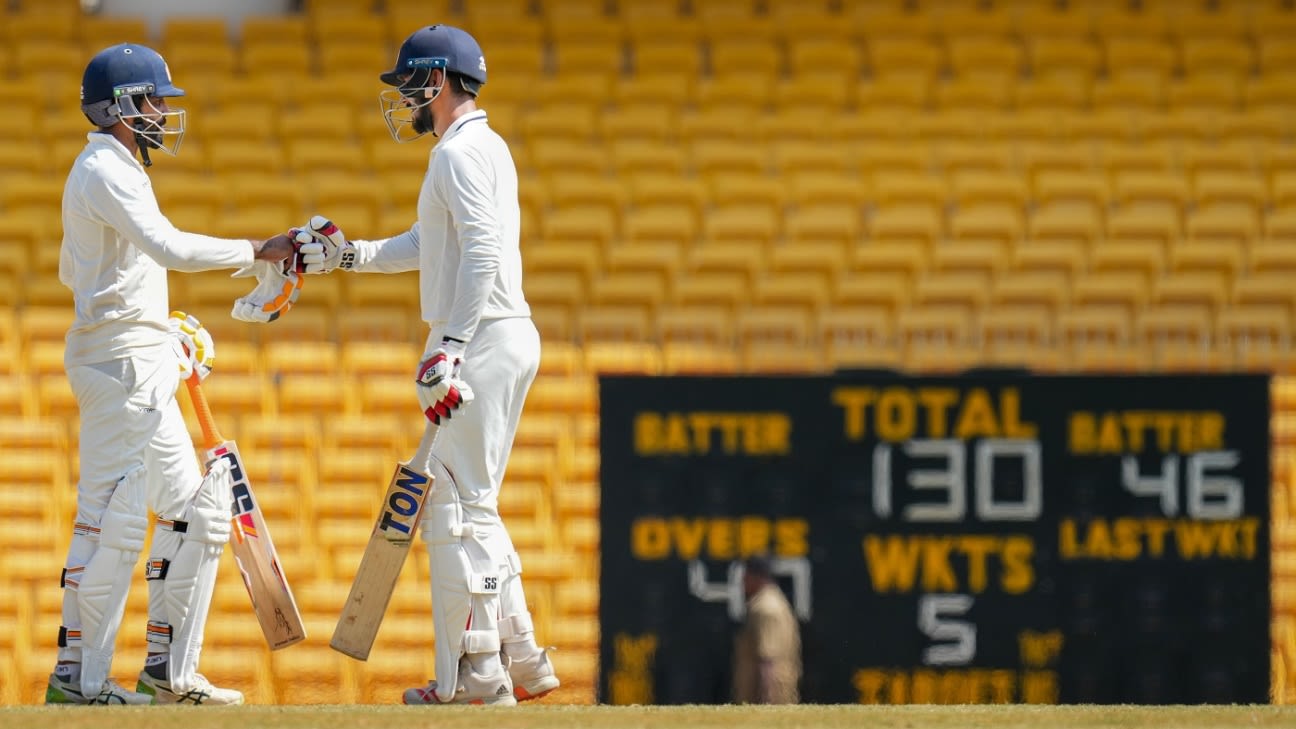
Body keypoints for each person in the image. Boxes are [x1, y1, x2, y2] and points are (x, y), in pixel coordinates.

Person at [293, 24, 558, 706]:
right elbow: (433, 243)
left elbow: (480, 253)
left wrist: (452, 346)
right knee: (474, 503)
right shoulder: (481, 147)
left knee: (454, 508)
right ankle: (521, 656)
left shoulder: (456, 156)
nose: (402, 96)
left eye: (409, 83)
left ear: (437, 81)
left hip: (482, 337)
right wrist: (352, 255)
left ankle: (472, 675)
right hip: (503, 332)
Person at [47, 42, 298, 705]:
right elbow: (167, 246)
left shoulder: (107, 167)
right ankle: (78, 679)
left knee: (196, 514)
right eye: (152, 100)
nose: (162, 112)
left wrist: (158, 327)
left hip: (135, 356)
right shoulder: (106, 168)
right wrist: (255, 249)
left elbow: (78, 272)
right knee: (114, 519)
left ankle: (168, 672)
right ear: (121, 107)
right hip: (121, 367)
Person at [732, 556, 802, 704]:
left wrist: (766, 701)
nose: (742, 581)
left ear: (755, 577)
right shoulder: (776, 601)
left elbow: (767, 660)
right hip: (780, 689)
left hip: (769, 694)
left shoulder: (765, 608)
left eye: (745, 576)